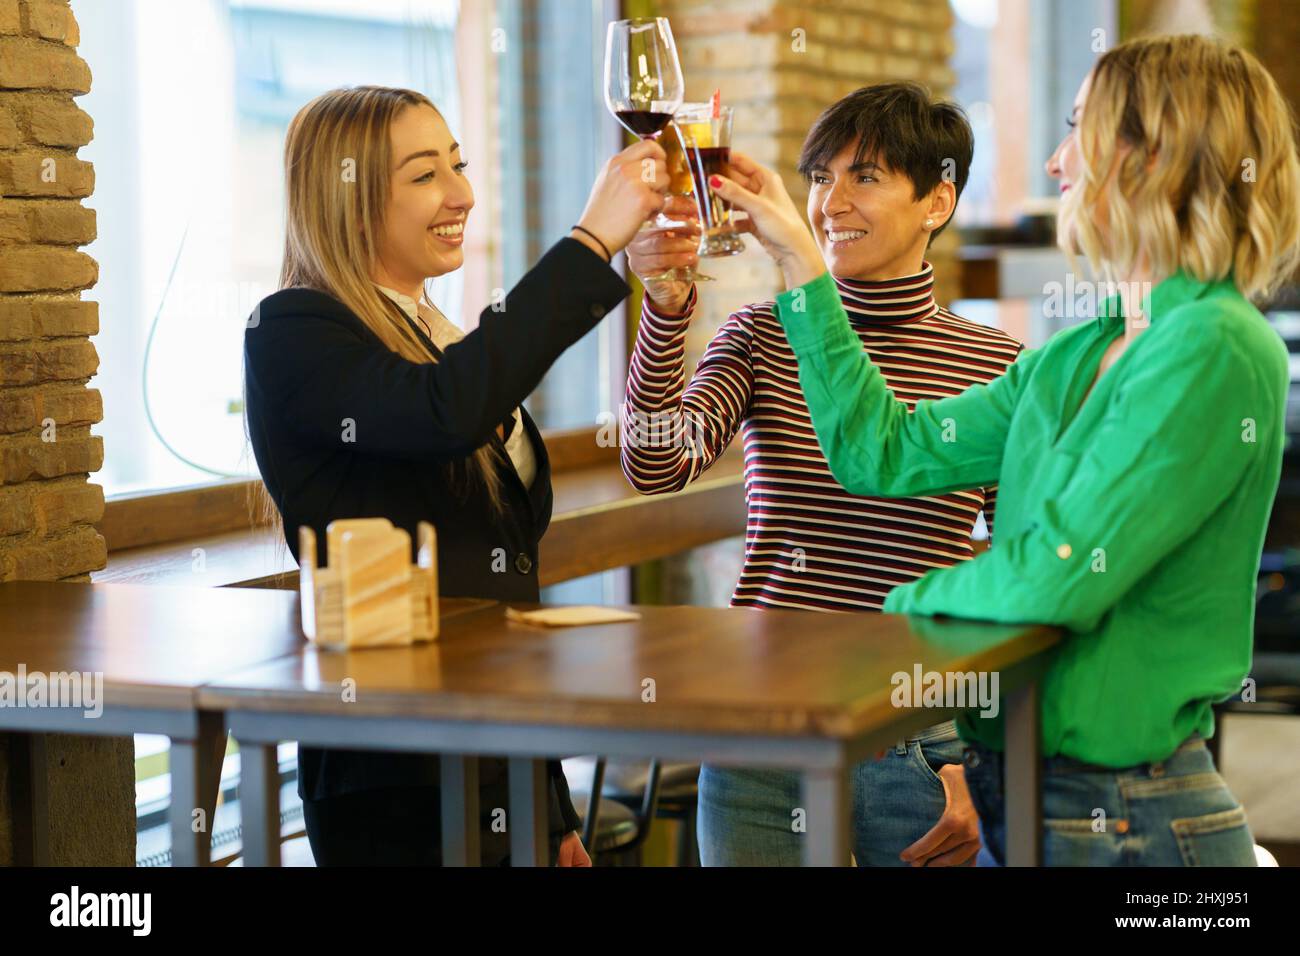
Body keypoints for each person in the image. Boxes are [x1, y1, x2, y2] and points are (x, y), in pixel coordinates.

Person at [706, 34, 1300, 866]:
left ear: (1155, 156)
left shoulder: (1216, 344)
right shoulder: (1076, 352)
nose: (1059, 163)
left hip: (1131, 816)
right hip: (1022, 792)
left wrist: (891, 623)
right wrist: (805, 273)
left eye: (1079, 129)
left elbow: (1061, 572)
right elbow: (882, 451)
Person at [243, 85, 667, 865]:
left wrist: (553, 810)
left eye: (460, 165)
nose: (462, 194)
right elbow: (446, 412)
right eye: (425, 174)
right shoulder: (292, 329)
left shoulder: (433, 331)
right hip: (395, 773)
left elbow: (502, 593)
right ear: (349, 198)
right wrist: (590, 241)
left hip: (499, 751)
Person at [622, 83, 1022, 866]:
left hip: (926, 738)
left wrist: (991, 765)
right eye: (819, 177)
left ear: (937, 200)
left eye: (864, 177)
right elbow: (657, 462)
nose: (830, 201)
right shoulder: (764, 335)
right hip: (761, 726)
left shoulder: (996, 363)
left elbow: (1025, 579)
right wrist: (665, 309)